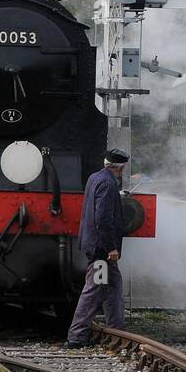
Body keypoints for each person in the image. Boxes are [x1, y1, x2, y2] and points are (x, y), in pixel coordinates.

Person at [65, 147, 129, 346]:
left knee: (113, 286)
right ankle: (76, 336)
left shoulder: (95, 178)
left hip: (98, 247)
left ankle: (117, 333)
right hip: (102, 251)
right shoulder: (108, 184)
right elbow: (102, 219)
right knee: (95, 289)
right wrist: (111, 247)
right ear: (120, 168)